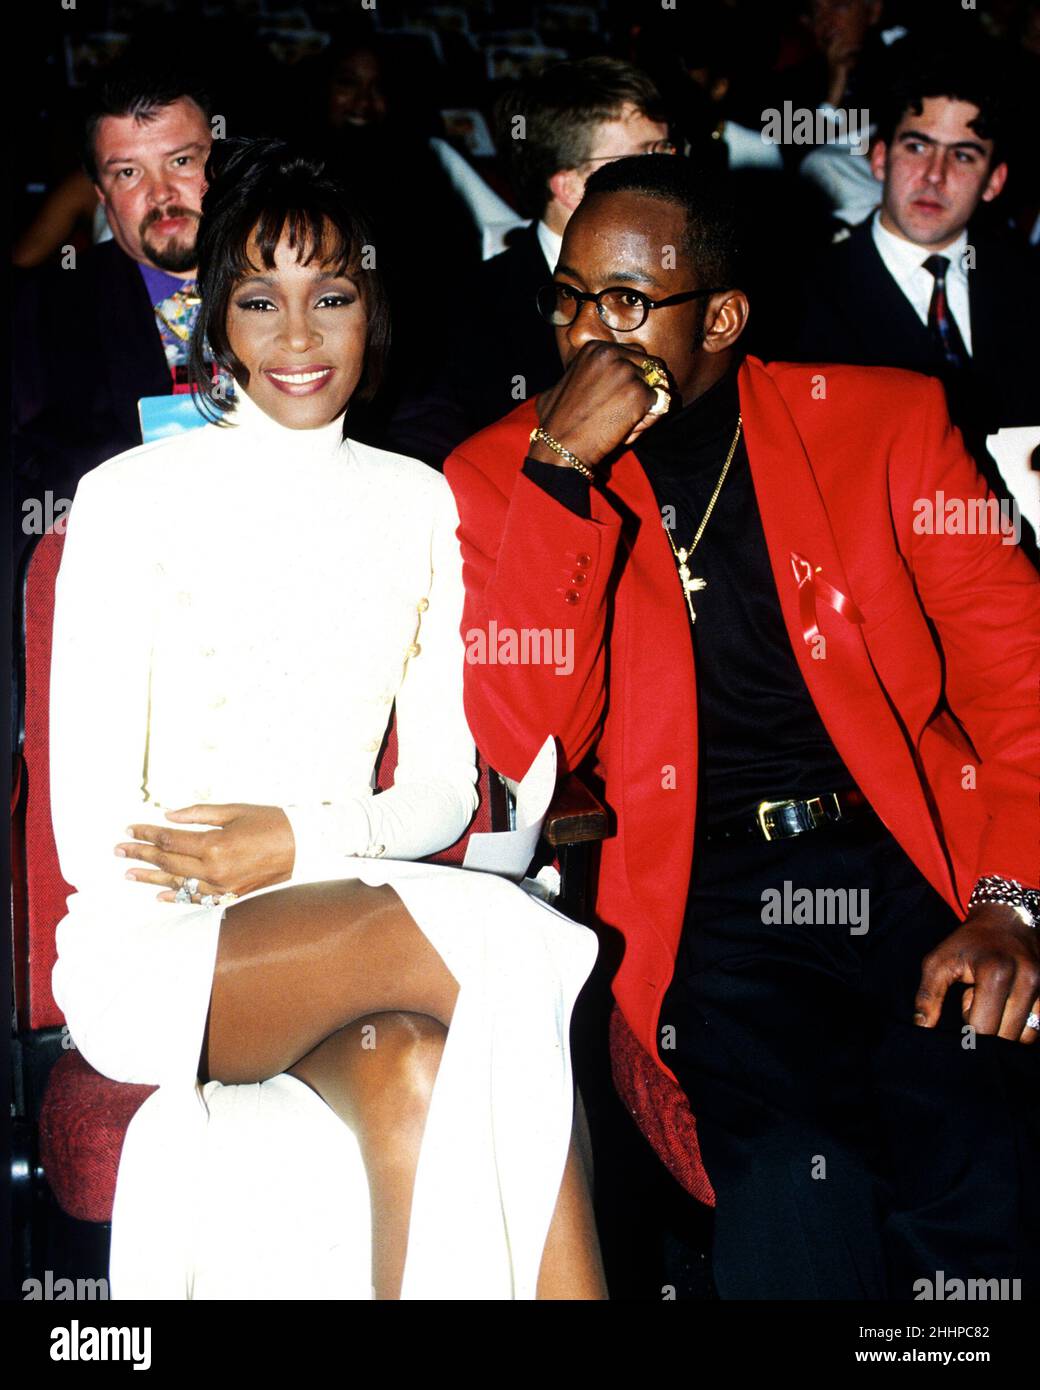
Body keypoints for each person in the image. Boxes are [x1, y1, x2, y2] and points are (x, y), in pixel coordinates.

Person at [445, 154, 1040, 1300]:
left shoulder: (881, 421)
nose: (583, 335)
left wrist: (1007, 900)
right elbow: (519, 745)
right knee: (794, 1180)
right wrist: (562, 482)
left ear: (719, 316)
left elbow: (1017, 675)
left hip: (907, 859)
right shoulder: (497, 475)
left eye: (624, 303)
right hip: (704, 902)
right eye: (567, 296)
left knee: (971, 1143)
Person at [49, 137, 605, 1301]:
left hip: (341, 917)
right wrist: (261, 862)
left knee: (414, 1070)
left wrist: (296, 842)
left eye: (331, 297)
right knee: (513, 945)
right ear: (219, 317)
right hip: (165, 949)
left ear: (372, 308)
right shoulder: (125, 498)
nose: (296, 338)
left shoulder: (417, 501)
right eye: (260, 299)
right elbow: (88, 826)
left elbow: (444, 790)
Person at [386, 57, 672, 466]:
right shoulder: (465, 309)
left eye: (669, 149)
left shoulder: (701, 278)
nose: (673, 174)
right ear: (571, 187)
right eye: (647, 158)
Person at [789, 46, 1039, 493]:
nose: (933, 176)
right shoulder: (804, 296)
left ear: (994, 181)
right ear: (880, 158)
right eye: (918, 147)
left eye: (963, 156)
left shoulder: (1027, 284)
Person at [14, 61, 215, 517]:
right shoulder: (49, 309)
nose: (161, 194)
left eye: (181, 161)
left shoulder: (303, 275)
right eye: (128, 173)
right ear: (102, 196)